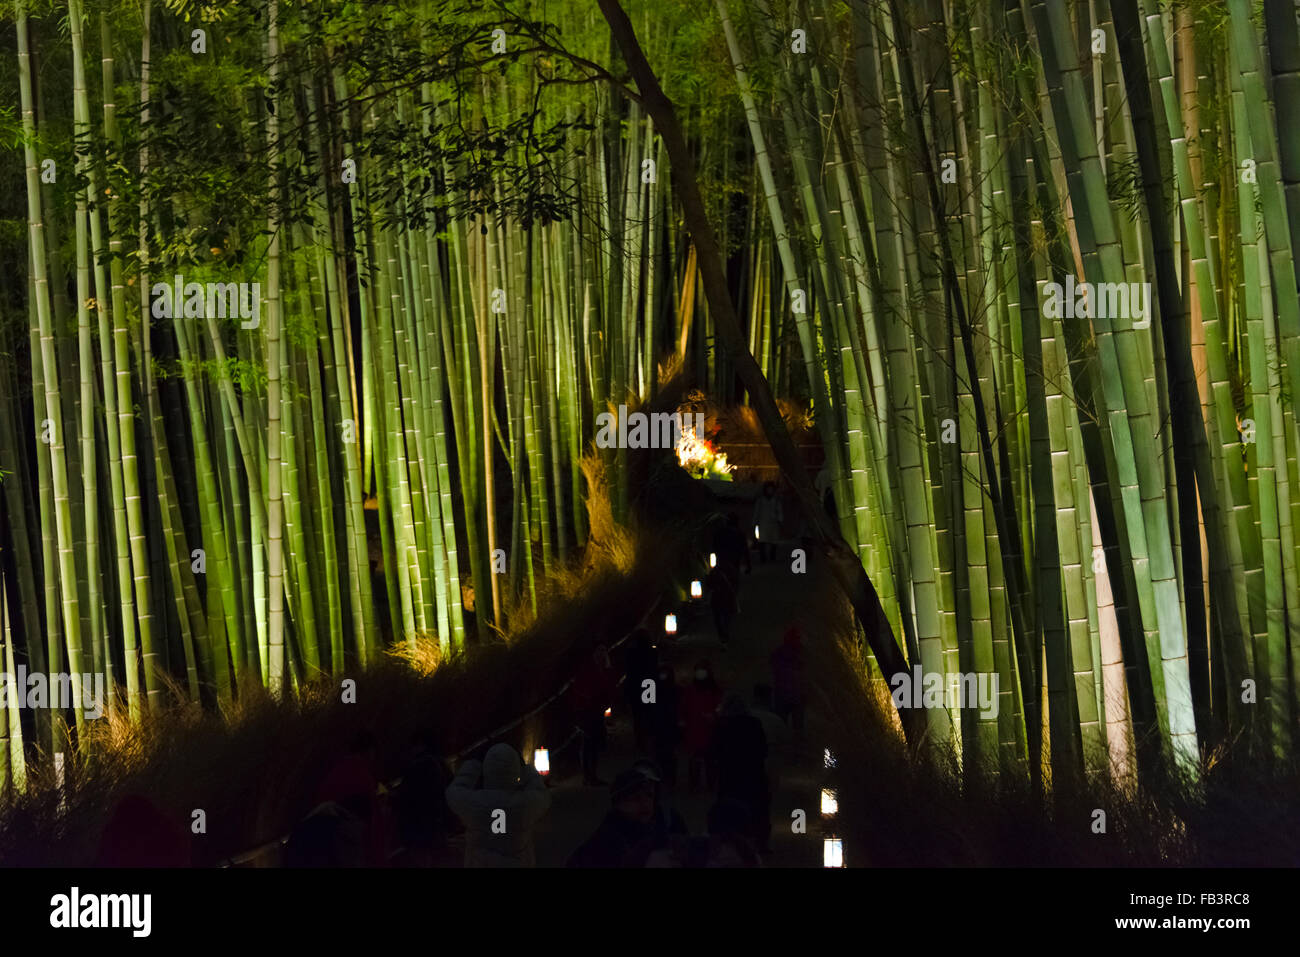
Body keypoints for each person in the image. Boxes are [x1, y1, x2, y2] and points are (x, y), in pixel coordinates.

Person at [445, 743, 551, 867]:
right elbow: (542, 794)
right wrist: (526, 769)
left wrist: (473, 765)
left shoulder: (473, 802)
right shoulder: (525, 804)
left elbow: (453, 792)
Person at [567, 767, 659, 868]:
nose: (645, 803)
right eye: (635, 799)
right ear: (618, 804)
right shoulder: (609, 842)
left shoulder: (654, 825)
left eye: (650, 796)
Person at [713, 695, 771, 854]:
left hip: (729, 776)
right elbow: (763, 750)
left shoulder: (722, 725)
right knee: (758, 810)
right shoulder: (754, 724)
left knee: (728, 810)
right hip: (753, 775)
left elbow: (715, 751)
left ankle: (728, 841)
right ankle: (759, 844)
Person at [571, 643, 618, 785]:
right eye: (599, 651)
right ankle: (589, 776)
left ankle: (592, 775)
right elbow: (584, 690)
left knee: (594, 742)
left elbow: (609, 685)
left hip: (595, 710)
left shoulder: (601, 669)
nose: (602, 654)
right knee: (589, 742)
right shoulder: (588, 670)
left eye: (603, 651)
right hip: (587, 710)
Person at [680, 659, 724, 792]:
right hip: (694, 729)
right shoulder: (689, 690)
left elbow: (721, 706)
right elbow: (683, 707)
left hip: (710, 729)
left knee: (710, 760)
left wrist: (714, 716)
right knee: (695, 759)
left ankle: (711, 784)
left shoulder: (715, 689)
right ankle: (694, 784)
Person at [623, 629, 659, 751]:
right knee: (649, 713)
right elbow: (654, 670)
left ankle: (641, 741)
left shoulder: (630, 653)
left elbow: (629, 672)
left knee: (638, 715)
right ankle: (649, 738)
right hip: (648, 685)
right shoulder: (652, 652)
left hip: (636, 686)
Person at [649, 662, 681, 787]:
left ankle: (669, 779)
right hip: (658, 726)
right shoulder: (652, 689)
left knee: (669, 755)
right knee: (658, 754)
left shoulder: (676, 690)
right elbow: (647, 708)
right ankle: (659, 778)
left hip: (670, 726)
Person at [770, 625, 806, 733]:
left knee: (781, 723)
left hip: (783, 693)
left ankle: (784, 741)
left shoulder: (778, 652)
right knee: (796, 725)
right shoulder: (800, 654)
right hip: (794, 694)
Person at [706, 562, 739, 650]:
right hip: (727, 598)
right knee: (726, 619)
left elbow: (708, 585)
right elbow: (736, 584)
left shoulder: (714, 572)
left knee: (718, 619)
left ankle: (723, 637)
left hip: (716, 599)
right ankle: (725, 637)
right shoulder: (732, 570)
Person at [751, 482, 783, 562]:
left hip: (773, 523)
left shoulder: (776, 500)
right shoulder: (761, 500)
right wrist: (754, 523)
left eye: (771, 489)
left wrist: (780, 520)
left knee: (773, 542)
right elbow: (757, 512)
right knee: (762, 541)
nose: (770, 491)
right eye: (768, 489)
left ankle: (772, 557)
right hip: (763, 522)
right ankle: (763, 558)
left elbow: (779, 511)